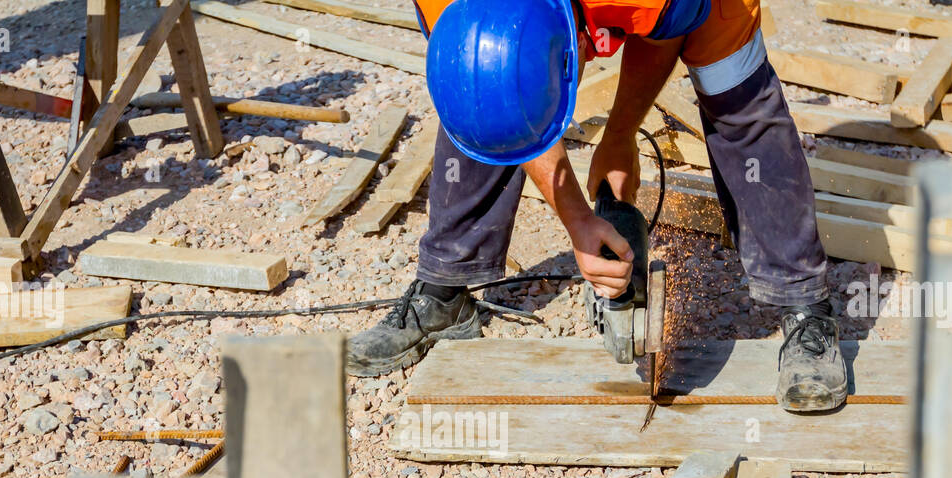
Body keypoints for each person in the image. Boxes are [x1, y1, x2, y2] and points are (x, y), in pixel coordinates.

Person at [345, 0, 847, 411]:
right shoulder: (445, 6)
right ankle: (443, 291)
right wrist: (577, 218)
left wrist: (621, 134)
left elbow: (663, 30)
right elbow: (498, 92)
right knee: (480, 93)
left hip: (691, 7)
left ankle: (804, 309)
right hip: (538, 23)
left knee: (741, 102)